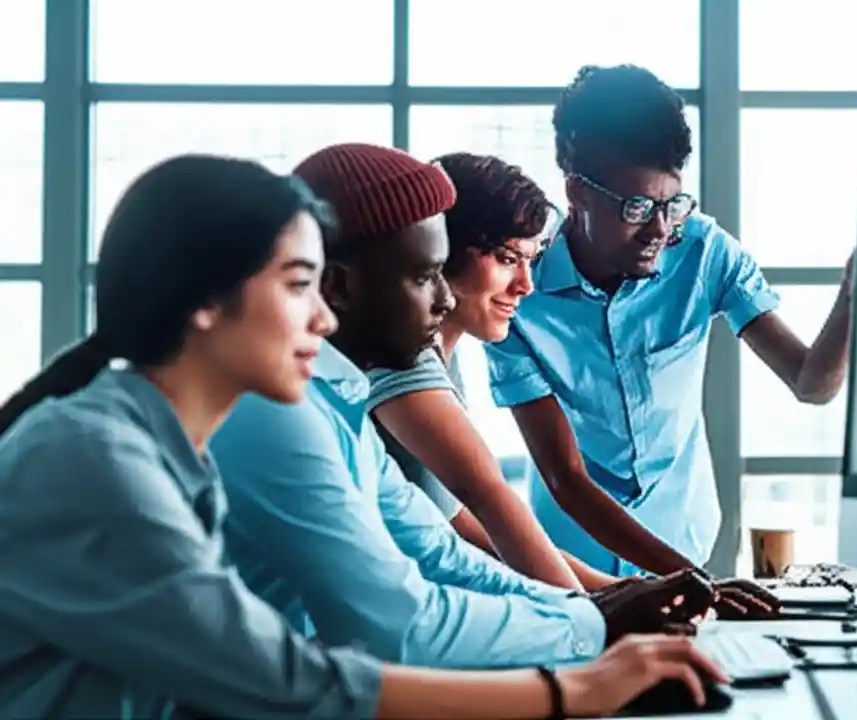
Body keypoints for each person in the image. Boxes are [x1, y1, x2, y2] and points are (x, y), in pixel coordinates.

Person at [0, 154, 724, 719]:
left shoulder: (173, 441)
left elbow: (432, 556)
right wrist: (581, 676)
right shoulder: (95, 460)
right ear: (205, 302)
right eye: (297, 286)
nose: (322, 318)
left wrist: (586, 620)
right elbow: (300, 676)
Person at [209, 142, 714, 671]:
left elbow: (438, 550)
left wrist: (593, 614)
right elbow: (401, 623)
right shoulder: (284, 414)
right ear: (338, 285)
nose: (445, 299)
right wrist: (591, 636)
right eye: (426, 275)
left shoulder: (341, 404)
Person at [361, 151, 778, 618]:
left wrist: (622, 592)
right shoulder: (404, 364)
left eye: (530, 260)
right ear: (443, 250)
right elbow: (487, 506)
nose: (526, 285)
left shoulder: (442, 363)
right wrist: (596, 615)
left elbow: (461, 524)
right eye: (505, 259)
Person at [485, 64, 857, 579]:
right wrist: (695, 583)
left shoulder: (704, 252)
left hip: (683, 539)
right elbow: (563, 476)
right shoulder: (518, 287)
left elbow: (811, 384)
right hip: (570, 560)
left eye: (671, 204)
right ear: (578, 192)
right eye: (636, 208)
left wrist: (852, 295)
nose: (659, 230)